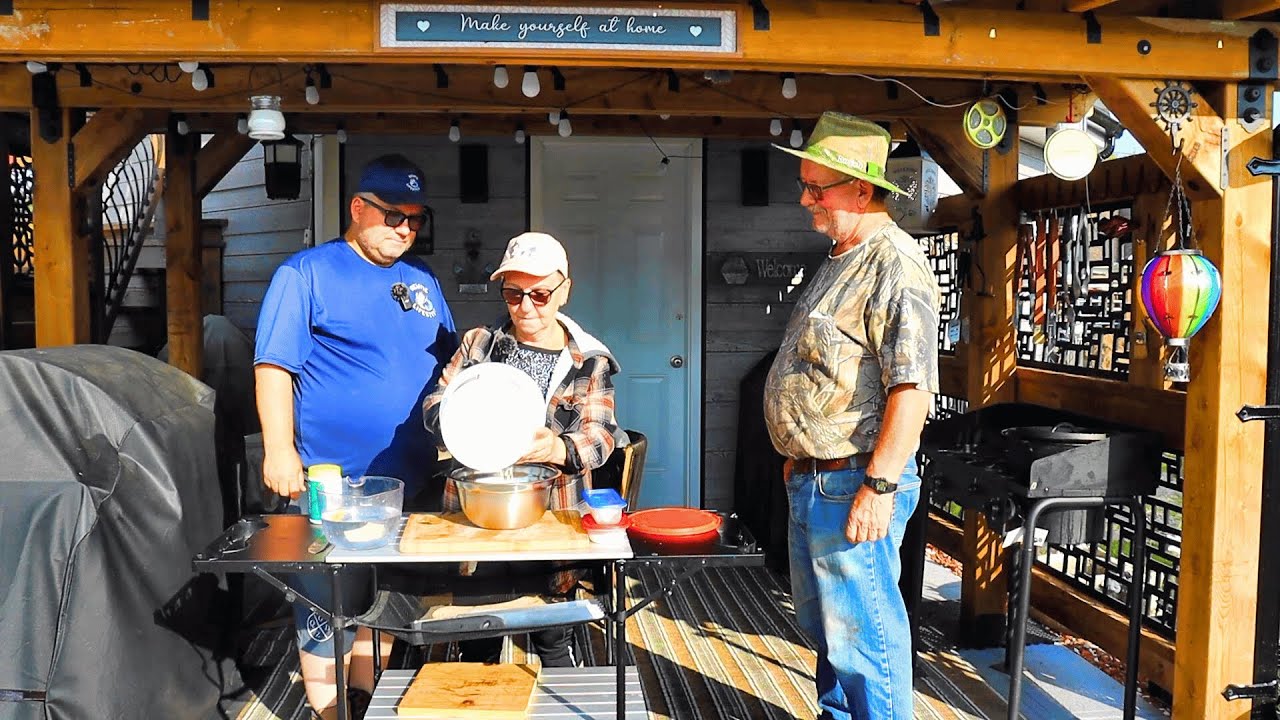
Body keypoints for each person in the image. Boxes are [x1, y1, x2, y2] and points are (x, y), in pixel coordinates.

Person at [254, 153, 458, 719]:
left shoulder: (422, 280)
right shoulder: (307, 274)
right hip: (329, 479)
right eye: (393, 216)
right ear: (357, 208)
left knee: (383, 596)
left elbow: (450, 362)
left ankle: (364, 700)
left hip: (407, 477)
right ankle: (327, 710)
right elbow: (274, 367)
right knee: (325, 601)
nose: (405, 229)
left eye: (415, 219)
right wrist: (278, 449)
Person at [764, 112, 940, 720]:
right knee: (827, 632)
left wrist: (878, 484)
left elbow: (911, 389)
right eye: (805, 186)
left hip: (854, 480)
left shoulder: (895, 263)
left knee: (864, 637)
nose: (806, 200)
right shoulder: (842, 255)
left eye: (818, 188)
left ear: (862, 188)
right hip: (816, 477)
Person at [423, 231, 624, 667]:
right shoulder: (479, 345)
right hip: (478, 516)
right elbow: (436, 403)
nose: (526, 307)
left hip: (556, 515)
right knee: (478, 634)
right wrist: (462, 426)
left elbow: (601, 436)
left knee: (553, 634)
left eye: (540, 293)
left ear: (564, 291)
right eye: (513, 294)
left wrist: (556, 446)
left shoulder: (589, 360)